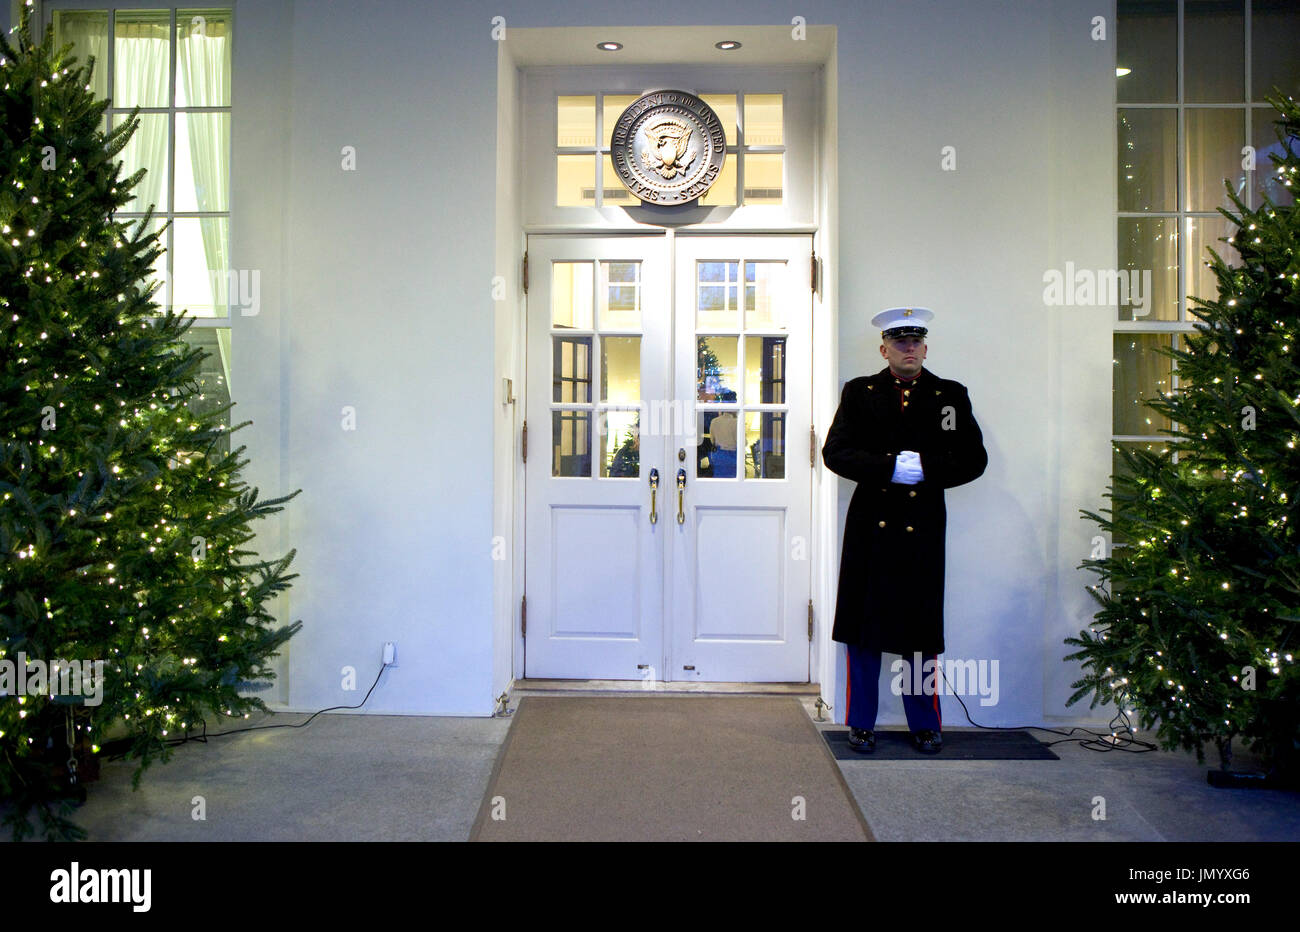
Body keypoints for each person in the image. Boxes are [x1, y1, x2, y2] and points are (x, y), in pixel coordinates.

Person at [821, 307, 987, 754]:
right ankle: (861, 723)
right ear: (884, 348)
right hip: (870, 527)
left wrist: (925, 469)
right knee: (862, 628)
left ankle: (925, 724)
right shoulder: (860, 393)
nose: (908, 348)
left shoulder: (949, 397)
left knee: (920, 631)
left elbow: (972, 459)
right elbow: (835, 453)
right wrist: (891, 467)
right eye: (899, 342)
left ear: (926, 348)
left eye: (915, 342)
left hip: (922, 529)